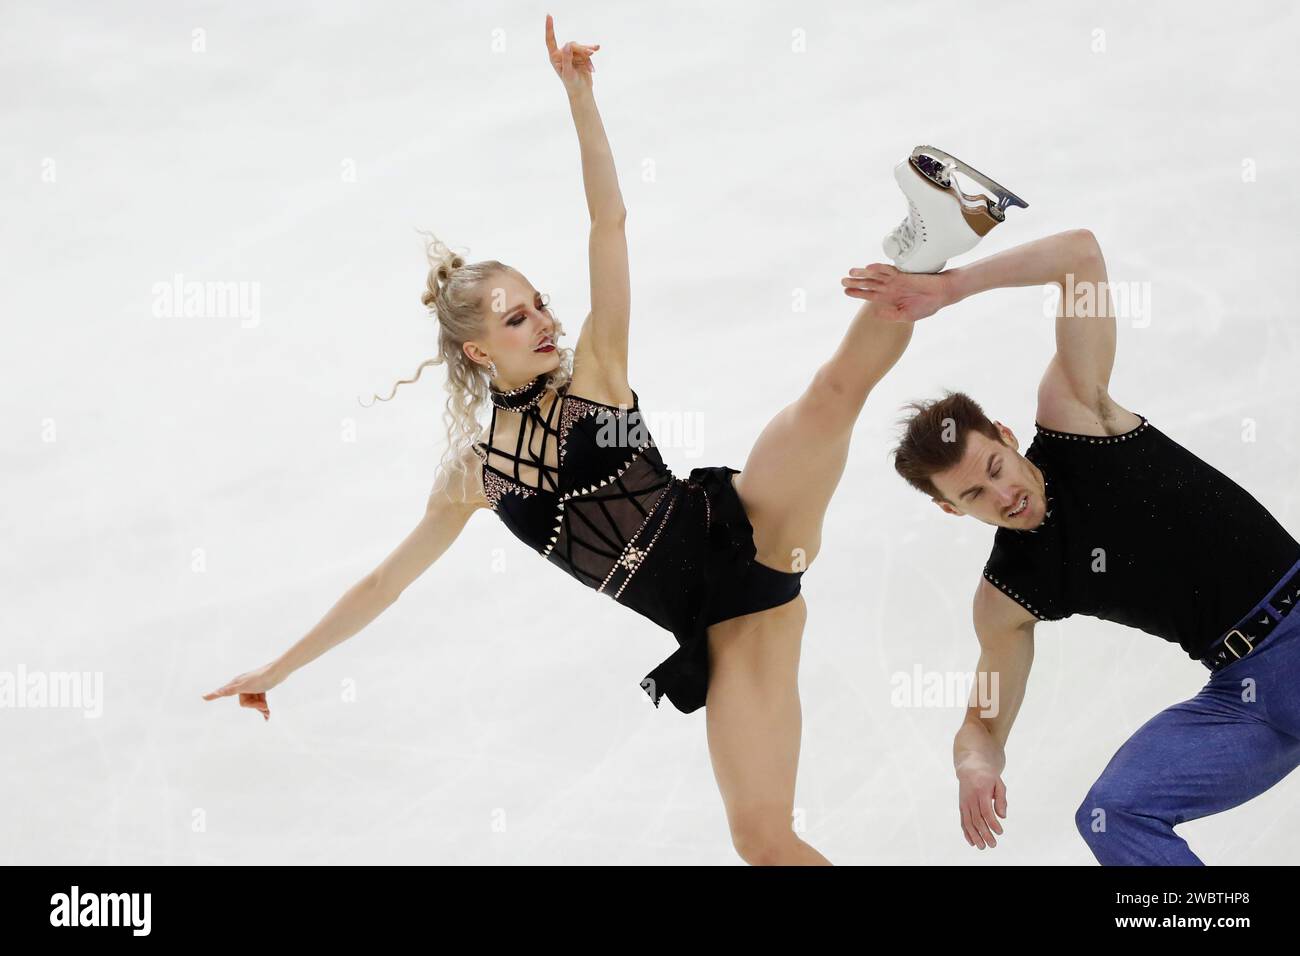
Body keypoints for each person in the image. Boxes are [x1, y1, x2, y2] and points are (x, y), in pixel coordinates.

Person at [203, 15, 1004, 866]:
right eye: (518, 319)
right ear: (478, 350)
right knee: (764, 844)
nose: (544, 320)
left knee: (832, 394)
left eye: (540, 303)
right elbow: (381, 584)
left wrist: (581, 99)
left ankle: (935, 236)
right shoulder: (474, 476)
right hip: (722, 624)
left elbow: (608, 225)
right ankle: (932, 240)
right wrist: (277, 669)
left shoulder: (597, 371)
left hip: (746, 525)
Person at [879, 227, 1300, 864]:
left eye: (995, 467)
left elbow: (1078, 256)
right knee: (1113, 814)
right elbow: (983, 726)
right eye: (974, 497)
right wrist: (973, 765)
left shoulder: (1078, 416)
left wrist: (952, 286)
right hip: (1244, 695)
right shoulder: (1008, 594)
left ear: (1005, 434)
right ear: (949, 509)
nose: (1003, 496)